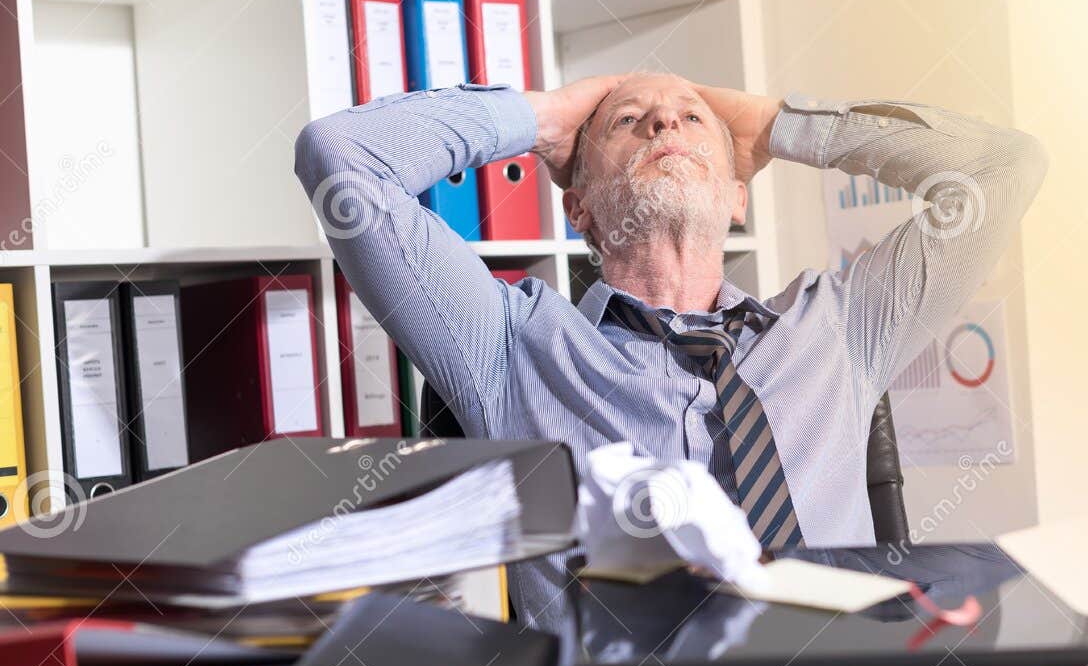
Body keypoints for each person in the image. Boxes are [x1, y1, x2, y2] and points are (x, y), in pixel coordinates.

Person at [294, 75, 1045, 548]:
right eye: (628, 121)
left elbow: (1003, 169)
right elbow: (339, 156)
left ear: (737, 197)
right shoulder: (507, 344)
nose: (664, 126)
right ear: (580, 209)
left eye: (692, 119)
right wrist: (542, 116)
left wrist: (779, 125)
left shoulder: (844, 327)